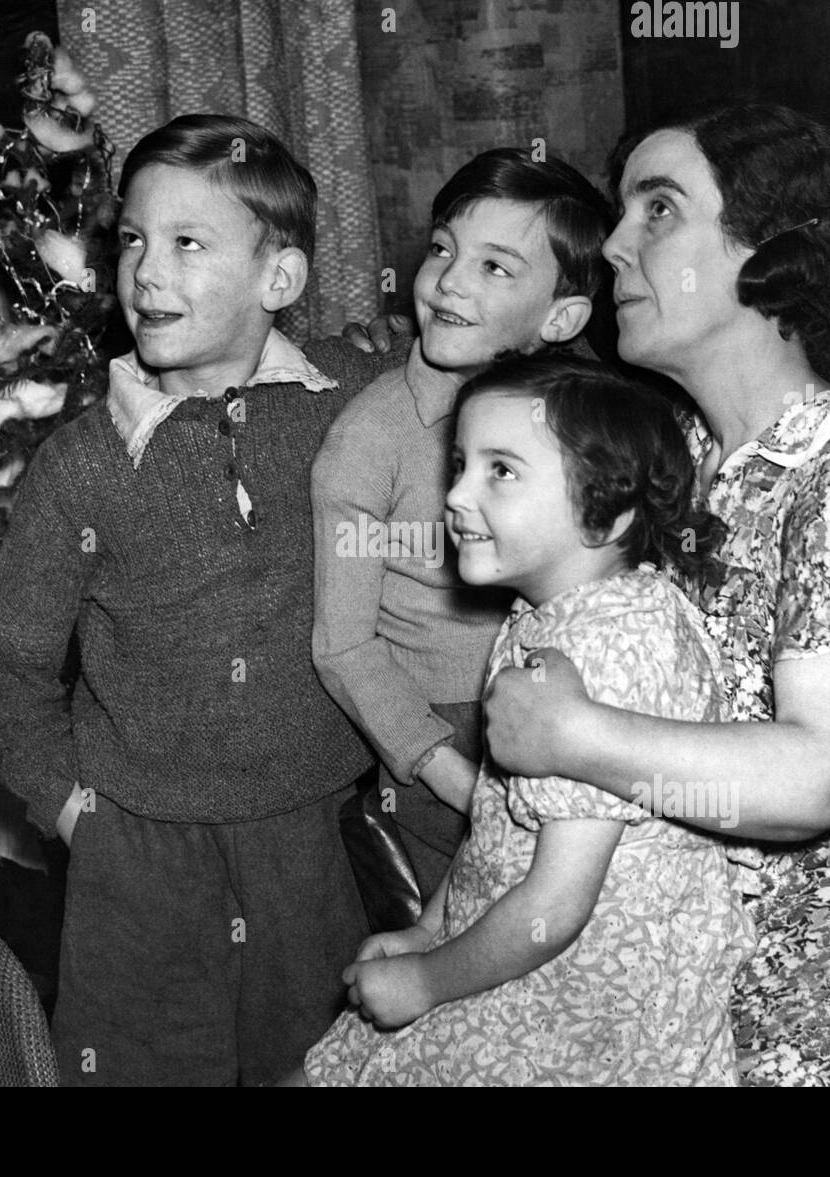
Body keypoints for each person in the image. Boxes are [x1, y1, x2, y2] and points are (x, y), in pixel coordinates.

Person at [480, 102, 830, 1086]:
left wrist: (570, 734)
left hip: (802, 1043)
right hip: (664, 1018)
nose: (615, 246)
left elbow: (819, 779)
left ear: (773, 255)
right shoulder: (691, 460)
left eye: (657, 210)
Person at [0, 114, 374, 1086]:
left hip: (312, 834)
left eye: (187, 244)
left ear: (279, 279)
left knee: (321, 1066)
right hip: (139, 852)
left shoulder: (349, 409)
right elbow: (10, 654)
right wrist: (70, 810)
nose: (145, 273)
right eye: (134, 242)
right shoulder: (82, 464)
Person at [295, 354, 755, 1086]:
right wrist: (429, 928)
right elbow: (496, 821)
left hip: (584, 1007)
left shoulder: (616, 644)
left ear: (609, 512)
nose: (456, 495)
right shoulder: (541, 617)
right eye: (460, 464)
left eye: (500, 470)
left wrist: (427, 980)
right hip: (517, 954)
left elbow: (557, 903)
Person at [310, 149, 611, 900]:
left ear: (561, 317)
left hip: (581, 718)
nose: (449, 281)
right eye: (443, 249)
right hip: (439, 746)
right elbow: (343, 644)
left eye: (494, 267)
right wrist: (454, 777)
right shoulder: (370, 436)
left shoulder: (589, 417)